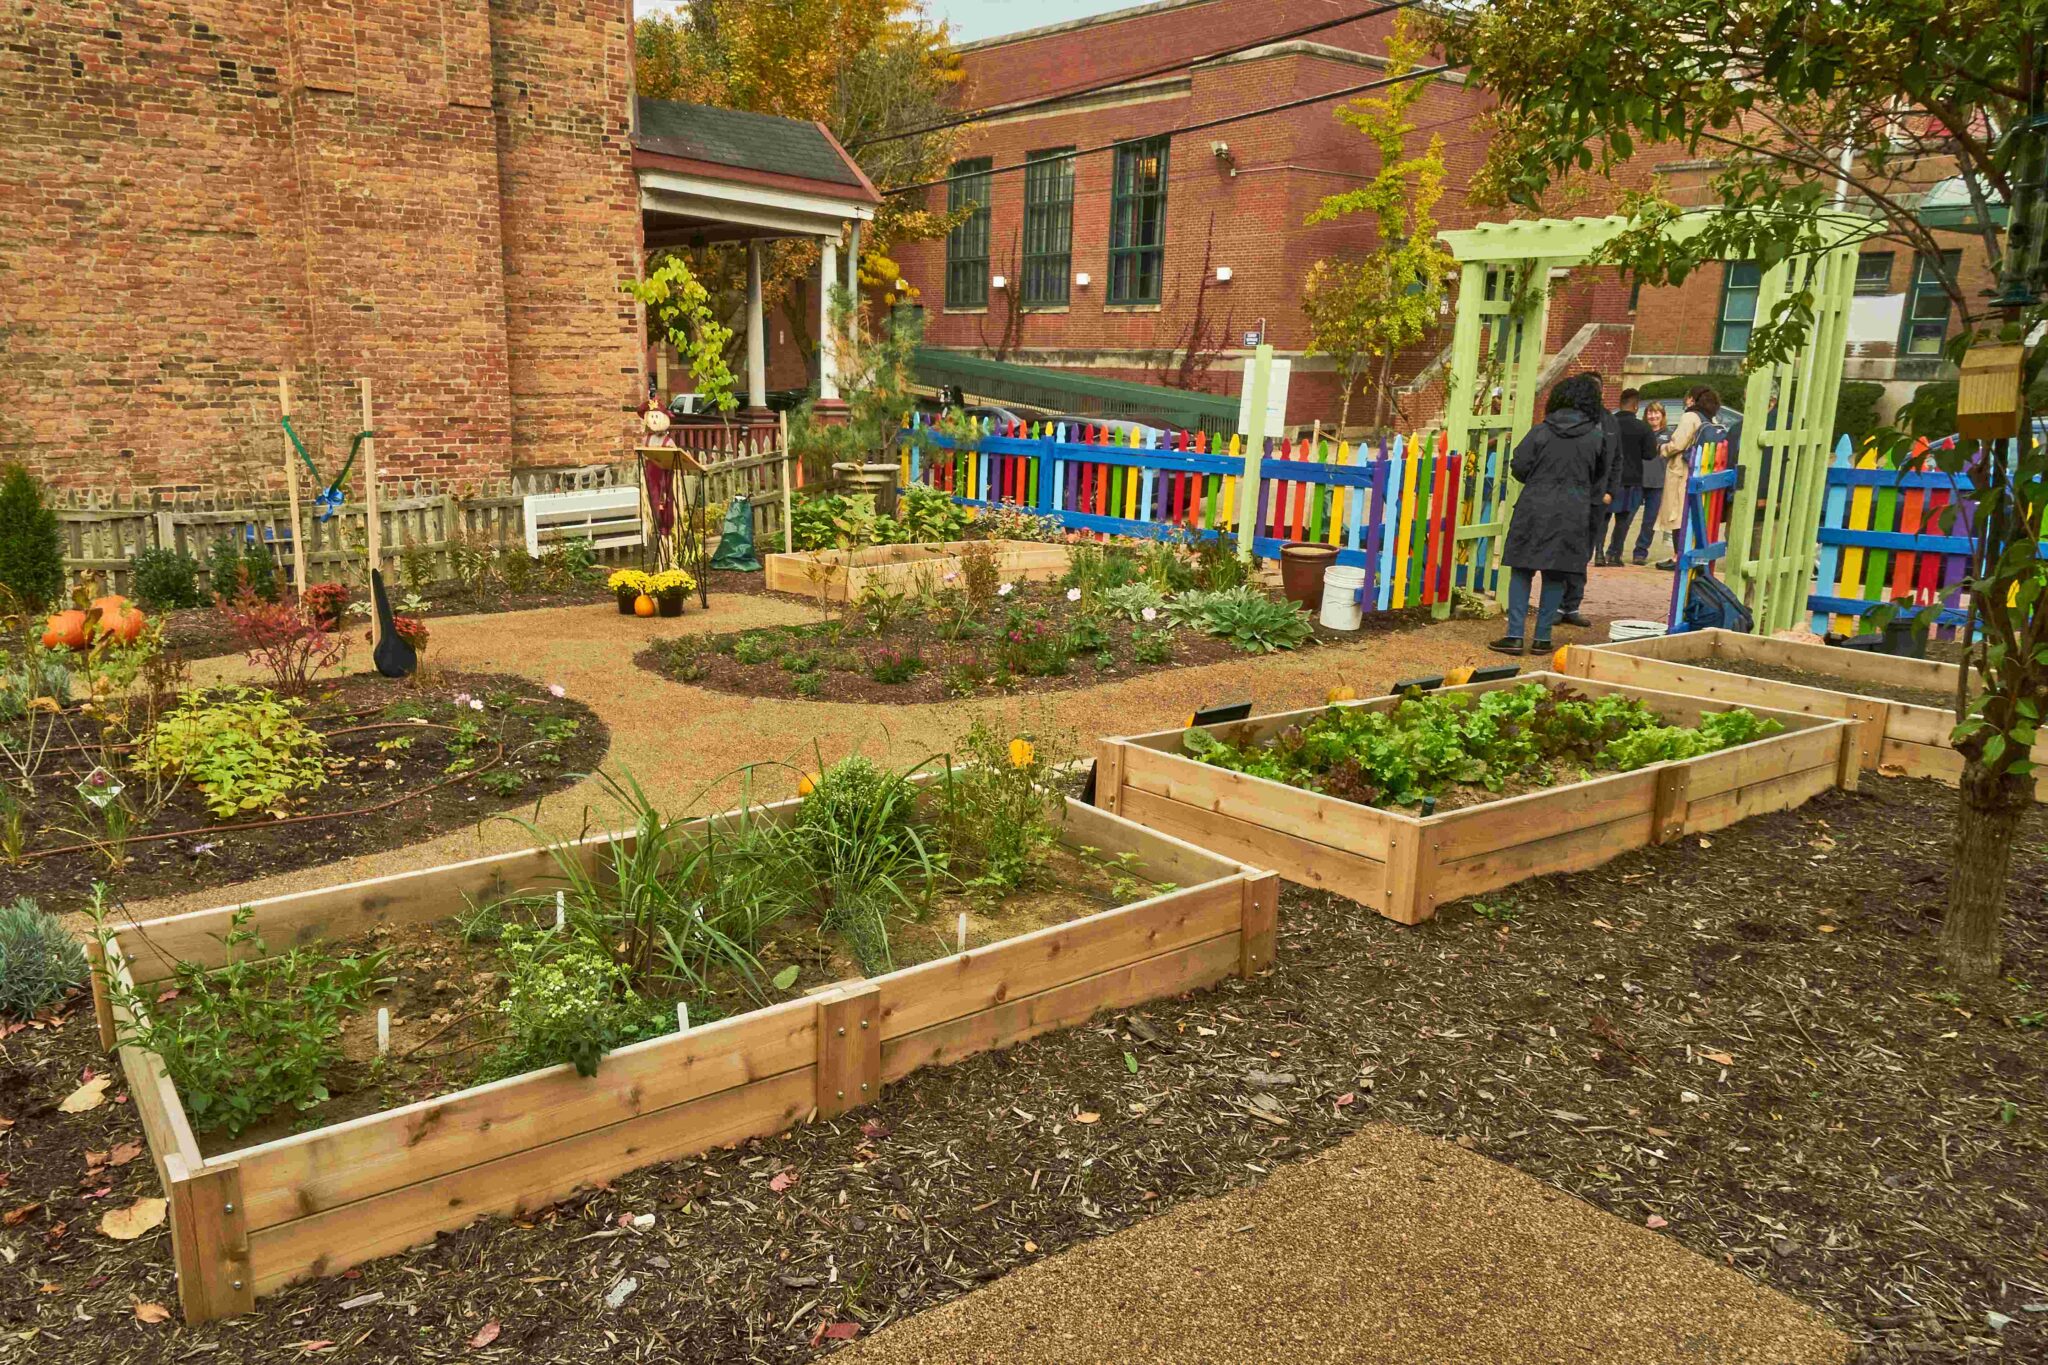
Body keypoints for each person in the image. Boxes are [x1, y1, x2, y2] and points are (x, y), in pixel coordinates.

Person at [1489, 377, 1609, 654]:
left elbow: (1518, 465)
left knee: (1522, 569)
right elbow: (1599, 474)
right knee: (1557, 572)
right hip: (1573, 510)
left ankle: (1515, 635)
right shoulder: (1596, 436)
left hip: (1535, 504)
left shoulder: (1540, 432)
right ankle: (1542, 638)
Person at [1555, 372, 1615, 628]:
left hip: (1595, 500)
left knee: (1583, 553)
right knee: (1561, 549)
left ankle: (1572, 603)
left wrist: (1610, 490)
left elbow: (1616, 459)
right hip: (1571, 497)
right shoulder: (1571, 421)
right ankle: (1557, 603)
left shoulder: (1609, 422)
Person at [1653, 386, 1720, 571]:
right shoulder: (1710, 417)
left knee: (1677, 514)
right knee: (1693, 515)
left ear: (1693, 399)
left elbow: (1678, 443)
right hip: (1701, 470)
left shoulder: (1690, 417)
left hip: (1681, 471)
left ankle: (1678, 556)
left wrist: (1662, 448)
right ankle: (1691, 554)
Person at [1599, 389, 1656, 566]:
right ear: (1636, 406)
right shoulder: (1643, 427)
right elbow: (1649, 455)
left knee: (1603, 518)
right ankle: (1615, 554)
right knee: (1623, 520)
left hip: (1608, 479)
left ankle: (1598, 554)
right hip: (1632, 479)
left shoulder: (1609, 424)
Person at [1635, 403, 1669, 563]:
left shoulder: (1669, 435)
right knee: (1625, 517)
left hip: (1657, 483)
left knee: (1649, 521)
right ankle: (1615, 549)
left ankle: (1640, 552)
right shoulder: (1641, 432)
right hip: (1638, 481)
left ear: (1662, 415)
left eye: (1656, 413)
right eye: (1650, 413)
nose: (1653, 416)